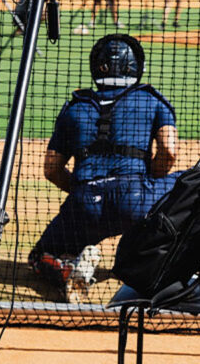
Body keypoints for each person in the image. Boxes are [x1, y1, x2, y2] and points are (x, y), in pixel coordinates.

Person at [28, 34, 182, 302]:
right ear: (137, 67)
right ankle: (161, 263)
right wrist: (150, 184)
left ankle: (66, 270)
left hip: (85, 206)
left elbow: (51, 169)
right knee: (190, 183)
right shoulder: (154, 101)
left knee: (39, 257)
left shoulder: (74, 109)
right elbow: (169, 152)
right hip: (137, 201)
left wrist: (82, 191)